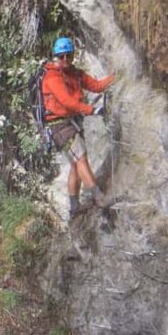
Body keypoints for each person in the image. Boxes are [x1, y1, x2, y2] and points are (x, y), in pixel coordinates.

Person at [41, 37, 115, 218]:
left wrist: (117, 76)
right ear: (55, 56)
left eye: (68, 55)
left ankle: (74, 207)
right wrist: (93, 110)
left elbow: (96, 86)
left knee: (75, 165)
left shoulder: (74, 73)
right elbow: (67, 101)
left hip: (71, 123)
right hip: (59, 125)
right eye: (61, 56)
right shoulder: (52, 77)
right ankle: (98, 196)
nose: (65, 59)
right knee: (81, 159)